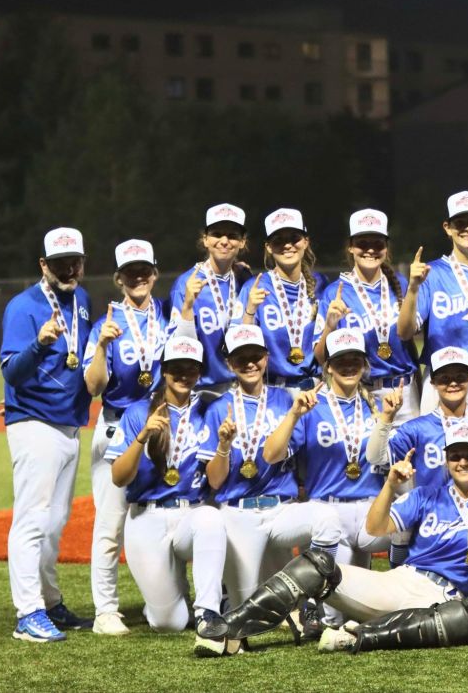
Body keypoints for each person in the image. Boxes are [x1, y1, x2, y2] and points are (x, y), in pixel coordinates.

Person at [318, 422, 468, 652]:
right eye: (455, 456)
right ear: (446, 460)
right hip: (401, 581)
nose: (463, 463)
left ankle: (355, 638)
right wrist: (390, 485)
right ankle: (273, 622)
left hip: (444, 598)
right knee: (316, 568)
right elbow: (374, 528)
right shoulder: (425, 495)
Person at [82, 239, 196, 636]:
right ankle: (105, 610)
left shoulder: (166, 314)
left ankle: (174, 599)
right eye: (130, 271)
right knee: (111, 523)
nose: (139, 277)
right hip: (118, 424)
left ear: (155, 272)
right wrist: (100, 347)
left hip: (162, 425)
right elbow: (94, 387)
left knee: (169, 508)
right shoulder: (107, 323)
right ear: (118, 278)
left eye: (145, 269)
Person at [199, 324, 342, 610]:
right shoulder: (217, 409)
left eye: (255, 355)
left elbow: (273, 455)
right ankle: (230, 603)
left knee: (326, 517)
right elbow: (215, 483)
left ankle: (315, 606)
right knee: (246, 611)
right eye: (241, 358)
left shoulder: (288, 400)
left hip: (281, 511)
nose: (250, 363)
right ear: (229, 364)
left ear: (266, 358)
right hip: (238, 513)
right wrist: (224, 445)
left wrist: (291, 415)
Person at [106, 336, 229, 657]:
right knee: (169, 623)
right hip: (147, 516)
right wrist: (142, 437)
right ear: (164, 370)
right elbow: (118, 477)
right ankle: (172, 599)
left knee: (211, 518)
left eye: (191, 368)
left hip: (192, 512)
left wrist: (224, 446)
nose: (184, 375)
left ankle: (208, 612)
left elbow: (216, 479)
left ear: (200, 372)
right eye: (176, 368)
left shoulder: (209, 410)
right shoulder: (137, 413)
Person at [263, 327, 390, 635]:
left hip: (369, 511)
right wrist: (293, 415)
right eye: (340, 360)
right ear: (328, 366)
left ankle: (404, 598)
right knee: (339, 618)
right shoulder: (311, 406)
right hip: (329, 512)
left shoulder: (379, 406)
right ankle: (312, 606)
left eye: (355, 360)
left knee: (407, 528)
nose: (349, 367)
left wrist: (387, 419)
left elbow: (386, 462)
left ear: (364, 365)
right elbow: (271, 455)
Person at [1, 227, 94, 642]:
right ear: (43, 265)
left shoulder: (85, 302)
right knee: (32, 521)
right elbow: (11, 371)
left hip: (69, 426)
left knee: (55, 522)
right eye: (59, 262)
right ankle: (28, 614)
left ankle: (50, 601)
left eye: (75, 260)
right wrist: (39, 345)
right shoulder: (23, 307)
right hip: (35, 424)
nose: (69, 268)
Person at [366, 346, 468, 567]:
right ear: (433, 383)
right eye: (444, 378)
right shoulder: (418, 428)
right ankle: (400, 576)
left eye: (460, 377)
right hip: (435, 514)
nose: (452, 383)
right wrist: (386, 417)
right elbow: (376, 458)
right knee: (403, 530)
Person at [396, 191, 468, 412]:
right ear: (447, 228)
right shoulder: (432, 273)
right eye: (460, 222)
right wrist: (412, 288)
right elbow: (404, 332)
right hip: (443, 379)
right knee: (438, 445)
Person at [316, 209, 419, 426]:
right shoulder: (335, 292)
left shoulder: (400, 284)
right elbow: (320, 357)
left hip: (405, 394)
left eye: (378, 243)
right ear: (350, 247)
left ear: (386, 248)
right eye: (363, 243)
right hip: (362, 395)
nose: (370, 250)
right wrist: (329, 325)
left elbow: (414, 334)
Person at [239, 208, 329, 390]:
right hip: (272, 390)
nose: (287, 245)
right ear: (268, 247)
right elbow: (240, 347)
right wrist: (249, 311)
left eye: (294, 238)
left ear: (306, 242)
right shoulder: (254, 287)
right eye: (278, 240)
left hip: (316, 388)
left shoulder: (321, 284)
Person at [169, 203, 249, 398]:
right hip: (200, 391)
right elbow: (178, 345)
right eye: (217, 234)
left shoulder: (245, 280)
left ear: (242, 242)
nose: (224, 241)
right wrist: (188, 306)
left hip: (239, 388)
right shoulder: (186, 283)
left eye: (232, 235)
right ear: (205, 239)